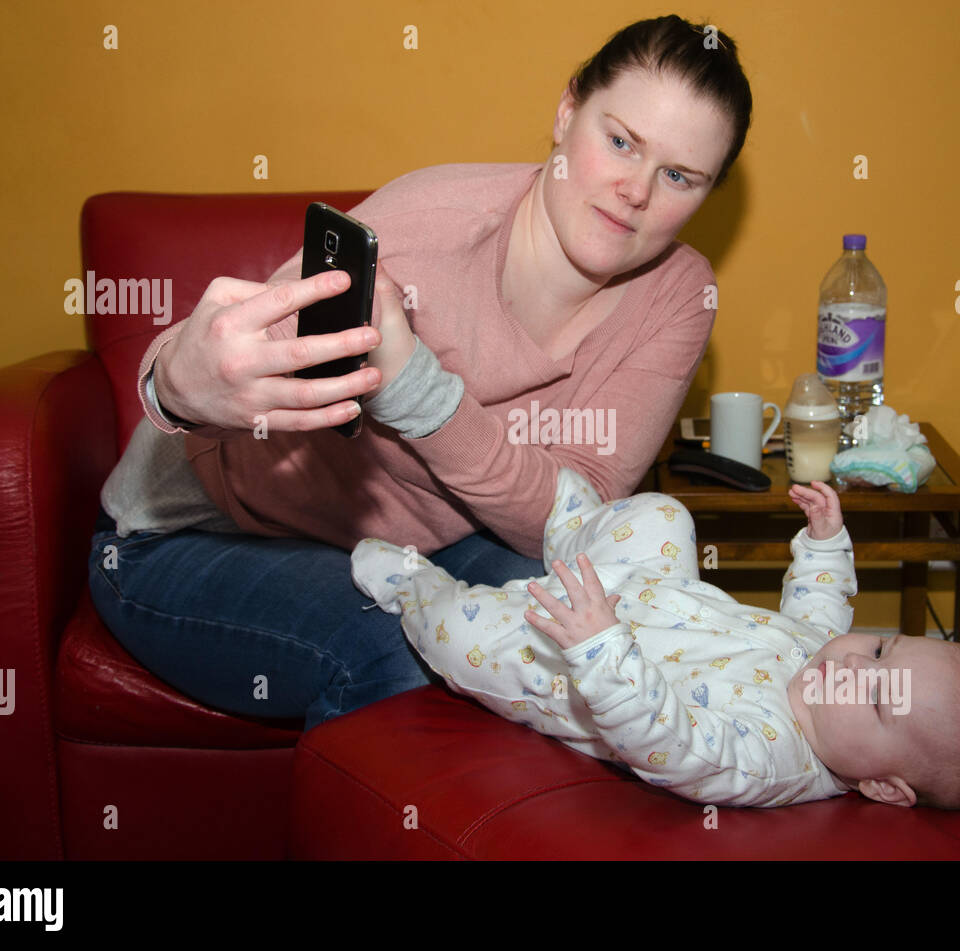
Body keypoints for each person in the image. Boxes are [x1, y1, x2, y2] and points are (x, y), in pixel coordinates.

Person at [88, 15, 753, 730]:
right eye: (620, 141)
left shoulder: (679, 293)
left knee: (605, 632)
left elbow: (570, 514)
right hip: (203, 534)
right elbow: (220, 358)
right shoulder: (427, 233)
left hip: (424, 541)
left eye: (679, 176)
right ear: (567, 113)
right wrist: (174, 386)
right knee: (395, 648)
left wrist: (417, 392)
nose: (636, 190)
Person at [352, 471, 960, 809]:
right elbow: (822, 612)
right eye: (884, 649)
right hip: (646, 587)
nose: (853, 665)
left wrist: (597, 649)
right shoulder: (826, 662)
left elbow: (668, 741)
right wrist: (826, 546)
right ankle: (575, 536)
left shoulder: (770, 758)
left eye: (878, 700)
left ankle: (414, 585)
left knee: (462, 633)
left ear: (884, 785)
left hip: (570, 665)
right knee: (663, 514)